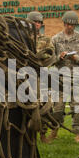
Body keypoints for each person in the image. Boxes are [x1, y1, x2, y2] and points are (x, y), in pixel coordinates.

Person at [48, 11, 79, 143]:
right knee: (57, 107)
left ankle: (78, 134)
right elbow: (48, 59)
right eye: (68, 24)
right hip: (60, 79)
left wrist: (76, 57)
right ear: (64, 23)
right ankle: (54, 131)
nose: (70, 27)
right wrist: (58, 57)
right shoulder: (55, 39)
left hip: (76, 79)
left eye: (73, 25)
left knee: (77, 107)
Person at [27, 11, 55, 143]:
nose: (37, 24)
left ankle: (43, 134)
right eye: (35, 22)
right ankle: (26, 133)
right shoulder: (22, 37)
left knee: (44, 104)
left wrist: (37, 56)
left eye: (39, 22)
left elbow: (50, 55)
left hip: (41, 75)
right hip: (24, 75)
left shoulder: (46, 40)